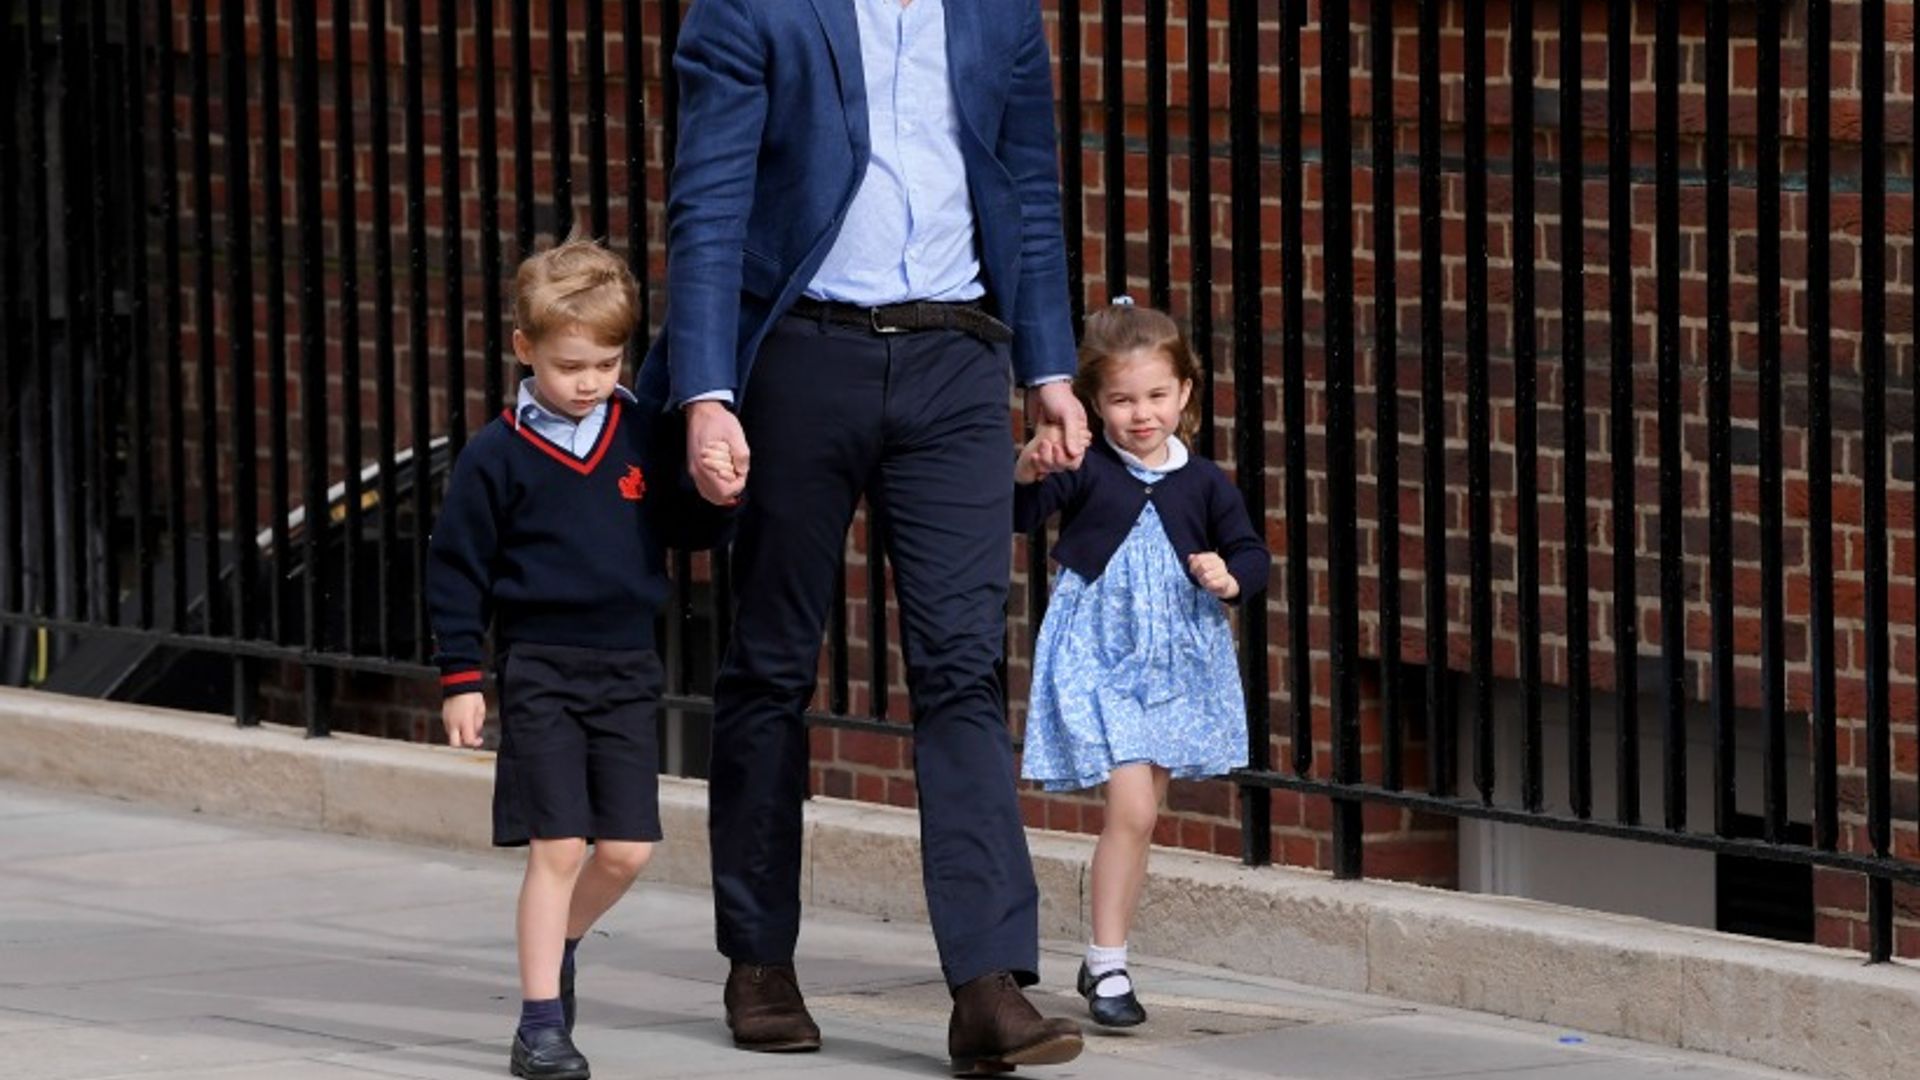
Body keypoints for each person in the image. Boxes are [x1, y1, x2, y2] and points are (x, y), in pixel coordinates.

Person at [641, 0, 1093, 1073]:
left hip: (955, 359)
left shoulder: (998, 15)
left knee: (963, 669)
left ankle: (989, 984)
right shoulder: (748, 11)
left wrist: (1050, 370)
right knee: (770, 666)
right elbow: (708, 205)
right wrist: (707, 394)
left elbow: (1029, 187)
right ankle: (759, 958)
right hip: (801, 356)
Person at [428, 236, 729, 1080]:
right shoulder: (497, 454)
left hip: (628, 667)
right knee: (556, 847)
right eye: (570, 365)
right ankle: (539, 1027)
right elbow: (456, 572)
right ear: (525, 350)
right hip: (541, 669)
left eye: (606, 361)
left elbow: (686, 528)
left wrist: (720, 496)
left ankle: (554, 943)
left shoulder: (641, 431)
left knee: (627, 851)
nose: (590, 379)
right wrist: (462, 679)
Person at [1013, 299, 1271, 1028]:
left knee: (1144, 816)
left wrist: (1229, 577)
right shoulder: (1087, 468)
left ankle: (1107, 956)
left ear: (1186, 392)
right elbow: (1020, 513)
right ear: (1094, 401)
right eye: (1122, 399)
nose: (1142, 414)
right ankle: (1109, 966)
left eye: (1157, 395)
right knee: (1129, 807)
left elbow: (1253, 554)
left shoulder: (1205, 481)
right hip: (1100, 652)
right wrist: (1029, 468)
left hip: (1174, 660)